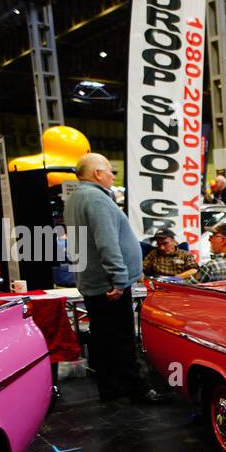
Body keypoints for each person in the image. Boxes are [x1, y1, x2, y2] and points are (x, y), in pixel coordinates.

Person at [64, 152, 165, 404]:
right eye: (110, 171)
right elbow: (107, 243)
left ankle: (110, 388)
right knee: (122, 339)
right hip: (109, 285)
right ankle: (138, 390)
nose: (111, 175)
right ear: (97, 173)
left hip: (93, 282)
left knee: (103, 339)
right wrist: (119, 279)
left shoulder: (75, 198)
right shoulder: (96, 199)